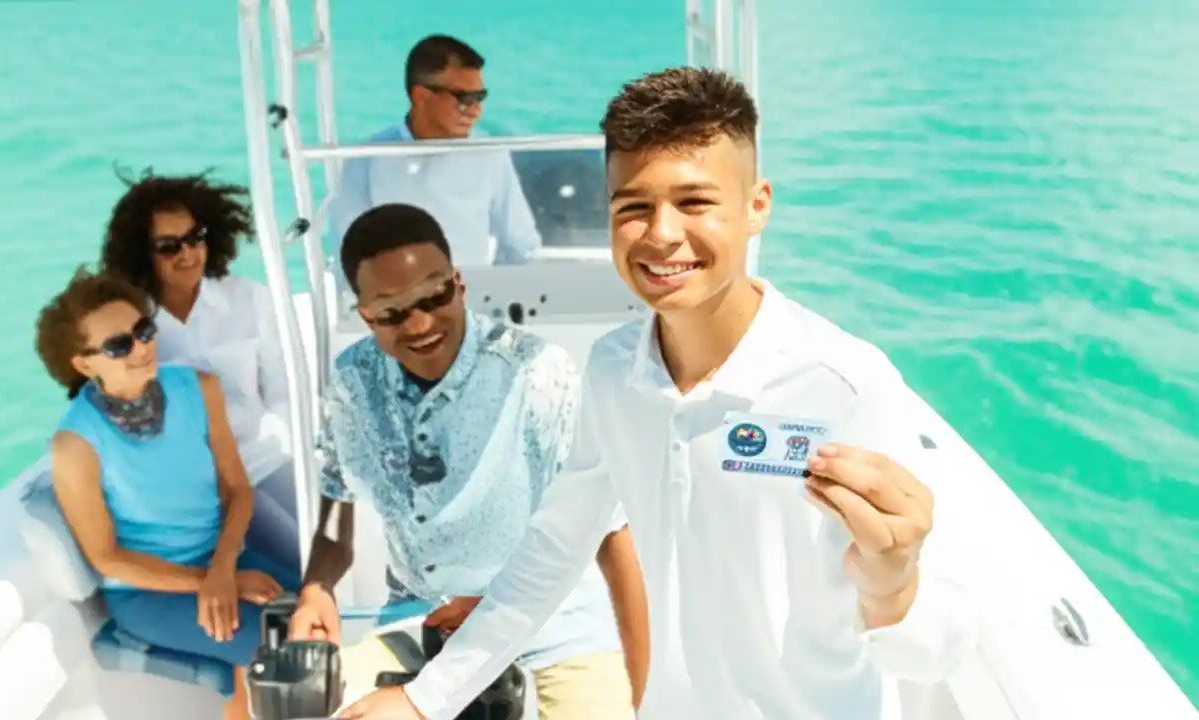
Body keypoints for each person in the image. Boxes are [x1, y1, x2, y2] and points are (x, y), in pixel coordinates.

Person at [338, 67, 978, 720]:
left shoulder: (843, 382)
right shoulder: (616, 371)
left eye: (695, 202)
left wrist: (894, 585)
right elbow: (555, 550)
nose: (662, 233)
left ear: (757, 205)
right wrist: (425, 700)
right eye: (633, 208)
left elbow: (939, 655)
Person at [287, 203, 649, 719]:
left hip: (554, 624)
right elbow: (335, 502)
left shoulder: (539, 374)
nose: (420, 323)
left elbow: (612, 535)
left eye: (435, 296)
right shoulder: (352, 381)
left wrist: (644, 688)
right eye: (391, 311)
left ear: (458, 285)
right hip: (422, 621)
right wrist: (316, 589)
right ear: (364, 315)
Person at [35, 267, 302, 720]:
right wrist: (217, 584)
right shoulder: (75, 444)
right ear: (83, 363)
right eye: (119, 345)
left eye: (143, 331)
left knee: (317, 615)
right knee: (282, 651)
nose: (141, 348)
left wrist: (223, 570)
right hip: (147, 593)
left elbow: (237, 488)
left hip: (222, 561)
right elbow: (107, 559)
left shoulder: (200, 388)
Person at [100, 169, 300, 571]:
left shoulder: (249, 299)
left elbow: (283, 387)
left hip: (266, 454)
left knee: (338, 541)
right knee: (303, 558)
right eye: (169, 246)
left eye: (195, 238)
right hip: (201, 483)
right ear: (143, 254)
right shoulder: (129, 326)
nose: (188, 254)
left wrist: (281, 437)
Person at [327, 34, 541, 290]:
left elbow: (520, 245)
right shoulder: (369, 159)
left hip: (469, 303)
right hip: (400, 313)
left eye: (480, 98)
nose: (476, 110)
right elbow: (348, 256)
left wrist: (494, 300)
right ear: (421, 96)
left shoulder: (488, 152)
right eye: (464, 99)